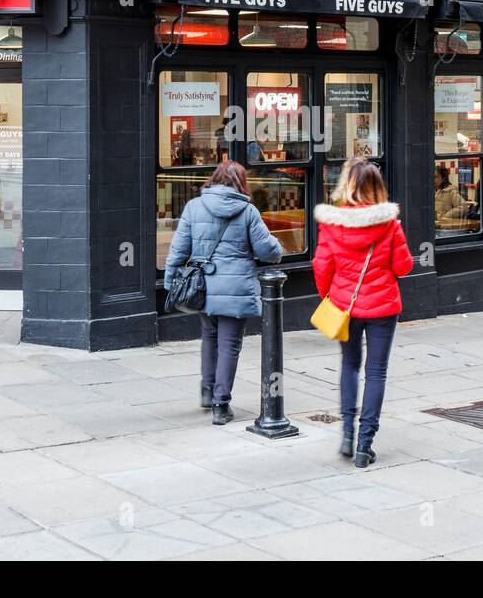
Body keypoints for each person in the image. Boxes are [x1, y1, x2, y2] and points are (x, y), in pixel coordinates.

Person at [164, 160, 284, 425]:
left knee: (209, 337)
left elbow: (179, 249)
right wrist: (278, 248)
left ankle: (208, 391)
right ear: (241, 182)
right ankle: (221, 404)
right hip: (236, 288)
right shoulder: (248, 211)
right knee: (229, 344)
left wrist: (170, 280)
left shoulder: (194, 207)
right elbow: (269, 251)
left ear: (214, 178)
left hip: (203, 286)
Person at [313, 158, 414, 467]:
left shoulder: (332, 224)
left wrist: (330, 296)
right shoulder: (390, 224)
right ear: (377, 188)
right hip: (383, 307)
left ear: (350, 186)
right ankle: (364, 444)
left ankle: (346, 433)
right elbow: (404, 266)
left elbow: (321, 266)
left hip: (346, 306)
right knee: (376, 372)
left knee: (350, 365)